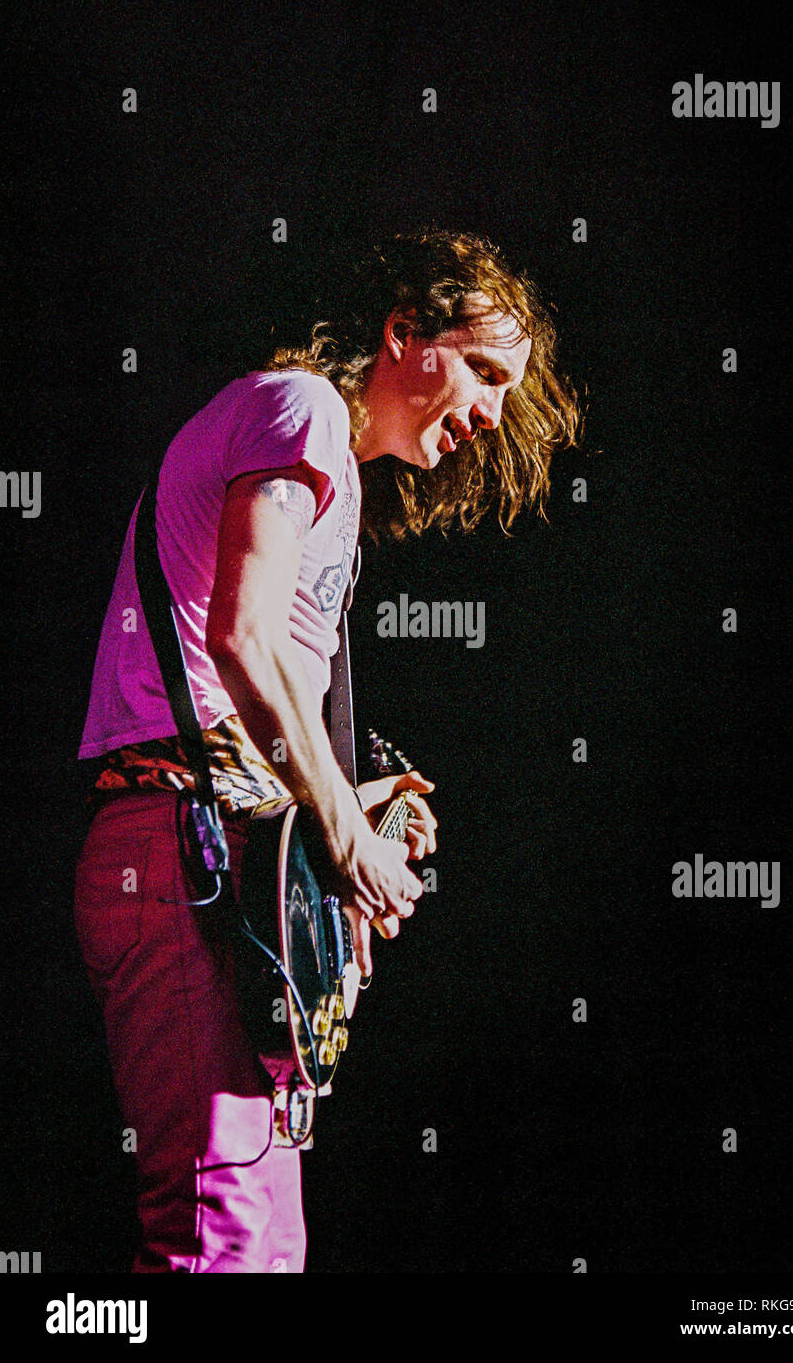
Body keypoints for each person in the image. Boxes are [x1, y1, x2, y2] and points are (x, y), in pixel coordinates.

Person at [74, 228, 583, 1273]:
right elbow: (242, 639)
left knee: (265, 1245)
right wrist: (345, 832)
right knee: (221, 1237)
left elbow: (252, 691)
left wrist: (353, 790)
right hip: (174, 848)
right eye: (483, 370)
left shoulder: (336, 484)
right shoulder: (298, 405)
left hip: (208, 845)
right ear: (404, 332)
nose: (492, 411)